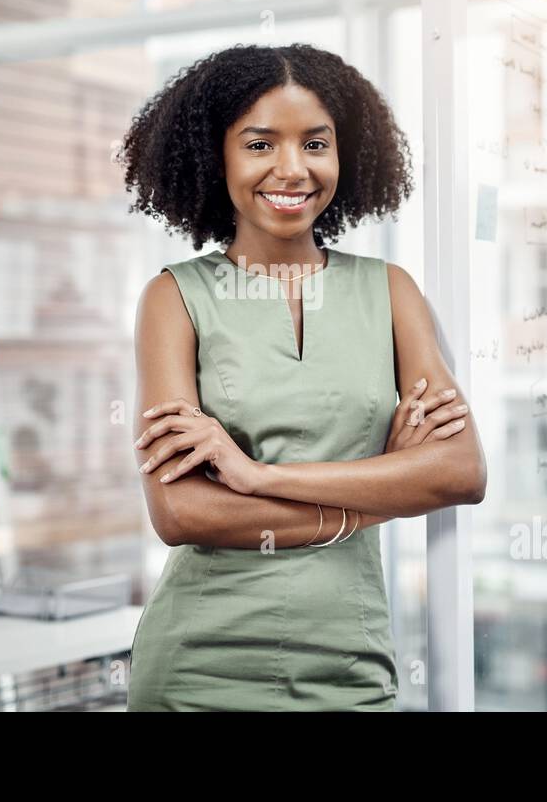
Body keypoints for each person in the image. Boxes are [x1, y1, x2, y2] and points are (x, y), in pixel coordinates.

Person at [120, 42, 487, 711]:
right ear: (216, 155)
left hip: (351, 670)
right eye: (260, 144)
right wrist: (385, 487)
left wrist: (259, 478)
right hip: (199, 671)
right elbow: (180, 512)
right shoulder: (173, 299)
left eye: (315, 144)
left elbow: (460, 473)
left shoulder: (392, 292)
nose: (293, 169)